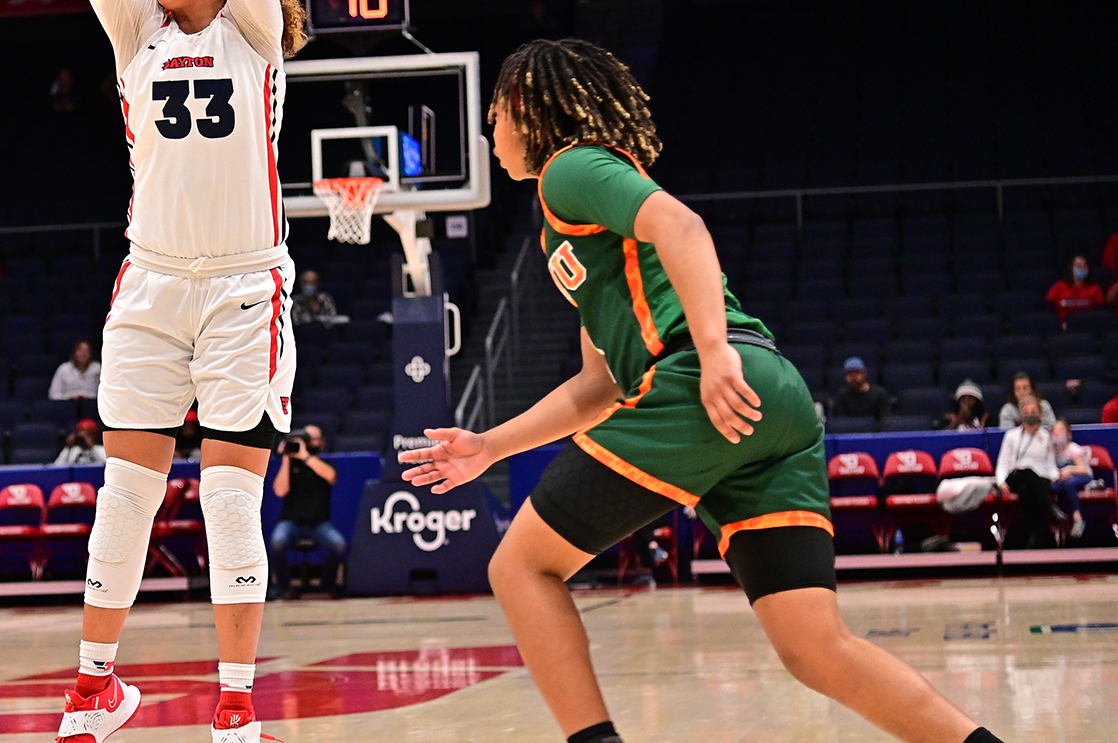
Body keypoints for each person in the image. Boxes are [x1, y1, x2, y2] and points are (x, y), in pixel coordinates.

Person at [398, 38, 1005, 743]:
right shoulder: (575, 229)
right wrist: (489, 447)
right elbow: (598, 385)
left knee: (521, 566)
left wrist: (712, 353)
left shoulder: (570, 169)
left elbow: (682, 223)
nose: (488, 134)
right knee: (816, 648)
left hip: (706, 379)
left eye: (495, 114)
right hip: (770, 399)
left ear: (530, 112)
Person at [26, 0, 310, 743]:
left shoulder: (254, 34)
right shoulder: (137, 31)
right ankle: (96, 684)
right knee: (125, 495)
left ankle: (237, 701)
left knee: (230, 500)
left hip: (243, 287)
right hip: (151, 286)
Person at [268, 426, 346, 597]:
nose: (309, 442)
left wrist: (305, 456)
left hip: (319, 522)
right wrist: (287, 459)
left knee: (338, 545)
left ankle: (327, 584)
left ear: (322, 442)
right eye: (306, 438)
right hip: (291, 522)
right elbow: (280, 491)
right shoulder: (290, 466)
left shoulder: (324, 464)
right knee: (277, 541)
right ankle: (284, 587)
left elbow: (330, 475)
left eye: (313, 439)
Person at [996, 398, 1063, 549]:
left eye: (1034, 411)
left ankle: (1035, 535)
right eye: (1027, 411)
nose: (1030, 414)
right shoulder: (1011, 436)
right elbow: (1003, 463)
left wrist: (1055, 477)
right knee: (1026, 471)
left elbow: (1051, 464)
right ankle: (1051, 508)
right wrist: (1001, 482)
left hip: (1040, 479)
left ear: (1040, 413)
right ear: (1021, 414)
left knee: (1028, 488)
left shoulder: (1047, 437)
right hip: (1016, 476)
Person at [1051, 420, 1094, 541]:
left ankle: (1077, 518)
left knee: (1069, 484)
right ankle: (1059, 517)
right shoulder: (1051, 451)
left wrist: (1070, 470)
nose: (1057, 434)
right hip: (1061, 480)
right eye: (1054, 431)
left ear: (1068, 435)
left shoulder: (1073, 448)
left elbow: (1084, 469)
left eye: (1060, 431)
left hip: (1082, 476)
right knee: (1052, 487)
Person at [1045, 254, 1104, 323]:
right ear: (1071, 268)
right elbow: (1049, 308)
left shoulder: (1095, 288)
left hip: (1088, 325)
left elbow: (1100, 311)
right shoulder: (1058, 286)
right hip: (1063, 326)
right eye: (1078, 266)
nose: (1082, 268)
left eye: (1085, 266)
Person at [831, 357, 894, 422]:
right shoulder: (842, 395)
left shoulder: (880, 394)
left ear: (865, 374)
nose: (853, 377)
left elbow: (885, 420)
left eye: (857, 373)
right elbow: (840, 420)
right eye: (850, 374)